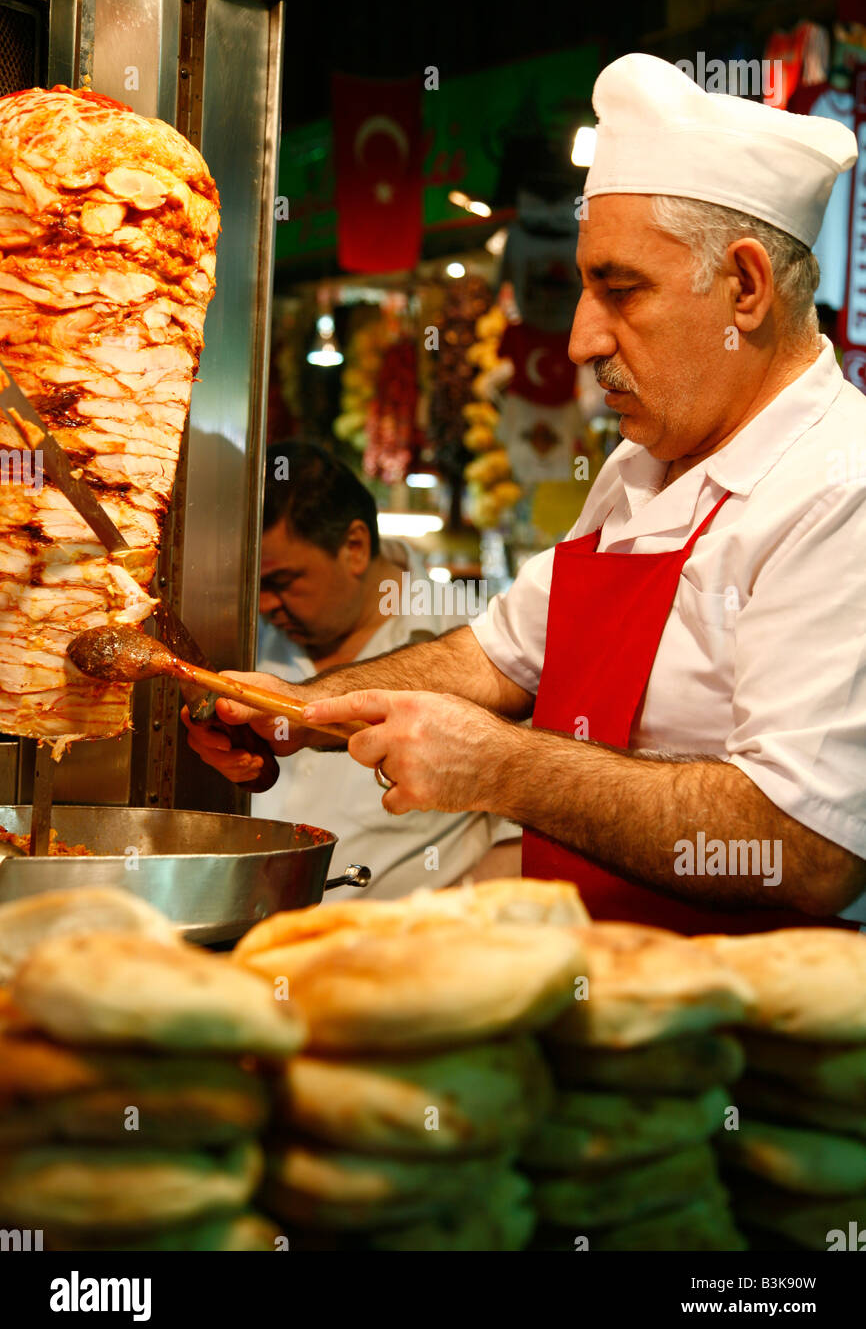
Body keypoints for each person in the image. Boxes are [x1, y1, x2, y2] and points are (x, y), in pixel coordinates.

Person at [185, 54, 866, 934]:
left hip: (735, 1037)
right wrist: (294, 715)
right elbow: (496, 660)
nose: (582, 338)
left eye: (622, 291)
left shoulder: (837, 487)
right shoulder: (639, 466)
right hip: (590, 996)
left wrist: (500, 766)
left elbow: (805, 849)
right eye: (586, 288)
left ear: (745, 286)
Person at [213, 440, 519, 900]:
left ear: (354, 547)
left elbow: (520, 843)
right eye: (254, 584)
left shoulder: (484, 644)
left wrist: (426, 931)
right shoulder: (241, 637)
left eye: (282, 582)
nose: (265, 604)